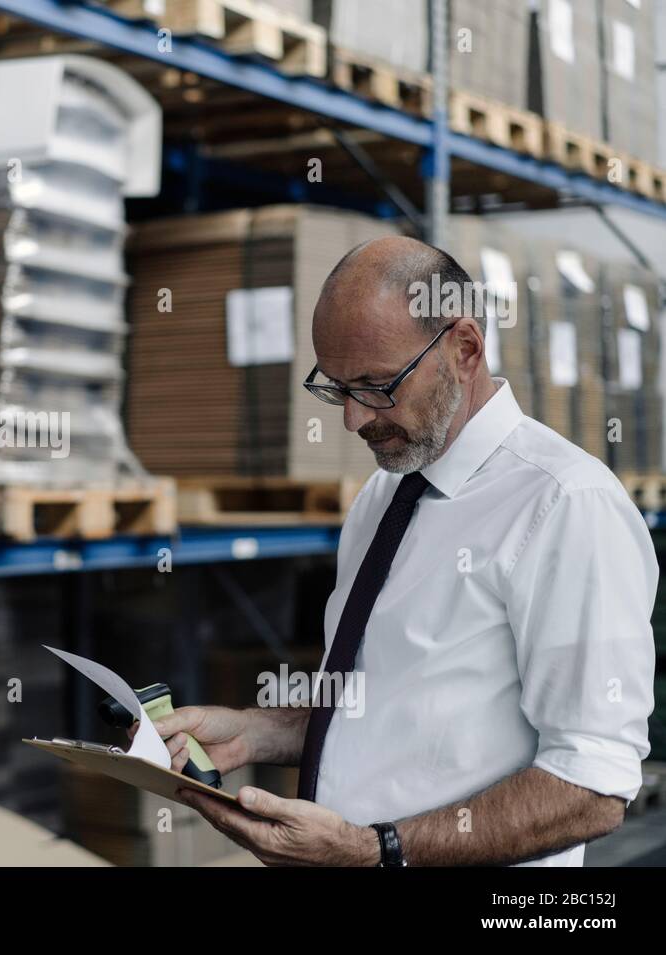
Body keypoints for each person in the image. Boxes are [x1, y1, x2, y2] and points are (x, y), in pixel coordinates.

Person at [148, 236, 658, 866]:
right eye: (336, 389)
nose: (353, 421)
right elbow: (383, 704)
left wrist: (375, 852)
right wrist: (253, 731)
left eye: (376, 386)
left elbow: (594, 784)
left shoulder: (566, 505)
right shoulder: (382, 496)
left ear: (464, 349)